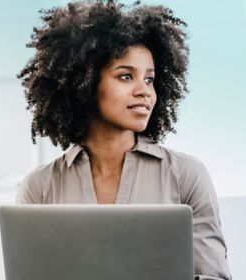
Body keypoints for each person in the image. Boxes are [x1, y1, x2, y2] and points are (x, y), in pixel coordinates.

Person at [15, 1, 231, 279]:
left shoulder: (186, 176)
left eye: (150, 79)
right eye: (126, 76)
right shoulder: (40, 188)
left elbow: (214, 276)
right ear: (86, 83)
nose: (145, 92)